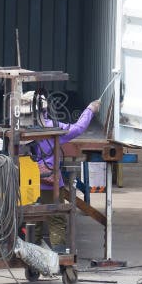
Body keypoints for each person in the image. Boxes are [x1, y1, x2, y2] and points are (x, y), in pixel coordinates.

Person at [28, 95, 101, 252]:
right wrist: (90, 109)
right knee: (56, 218)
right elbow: (78, 128)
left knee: (32, 219)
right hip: (49, 183)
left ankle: (32, 258)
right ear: (45, 109)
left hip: (26, 184)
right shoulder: (52, 126)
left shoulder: (19, 128)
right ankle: (59, 258)